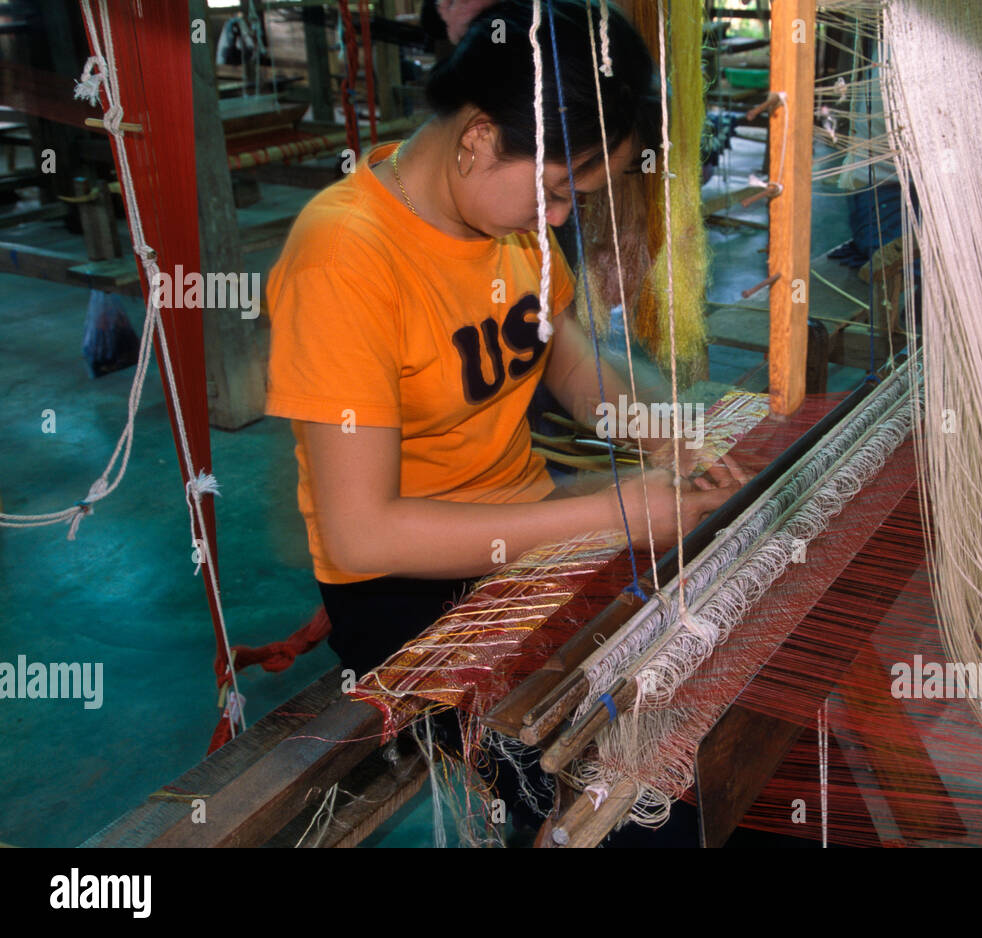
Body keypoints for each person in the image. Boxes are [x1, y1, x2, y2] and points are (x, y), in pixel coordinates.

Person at [265, 0, 736, 682]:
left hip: (524, 519)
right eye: (554, 191)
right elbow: (360, 533)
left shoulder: (506, 218)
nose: (558, 217)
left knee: (705, 660)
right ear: (478, 137)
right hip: (407, 584)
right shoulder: (343, 256)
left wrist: (668, 434)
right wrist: (612, 515)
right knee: (601, 739)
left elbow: (571, 363)